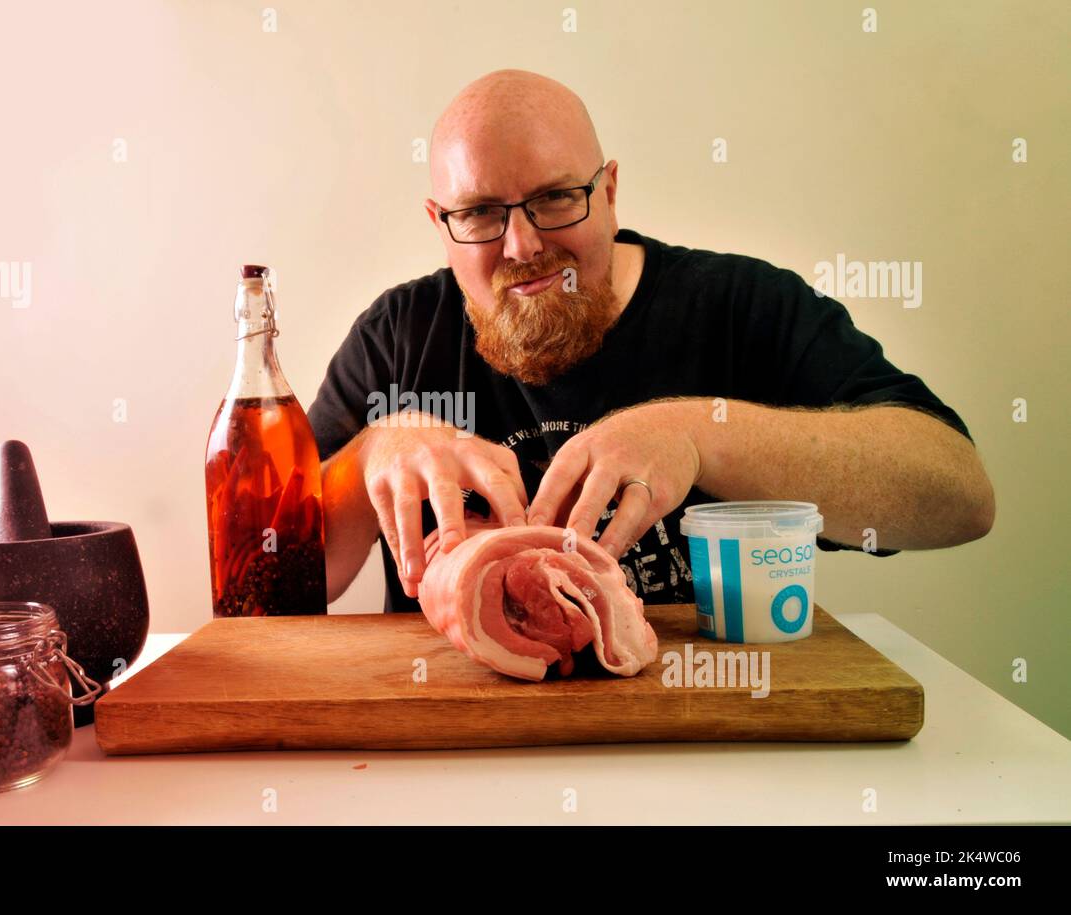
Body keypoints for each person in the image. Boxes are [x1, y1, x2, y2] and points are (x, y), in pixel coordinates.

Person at [307, 69, 995, 614]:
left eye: (555, 198)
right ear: (441, 223)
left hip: (709, 725)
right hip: (457, 729)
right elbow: (276, 581)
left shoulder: (741, 308)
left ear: (609, 193)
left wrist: (700, 435)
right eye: (481, 212)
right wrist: (370, 454)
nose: (522, 245)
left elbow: (959, 497)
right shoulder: (397, 338)